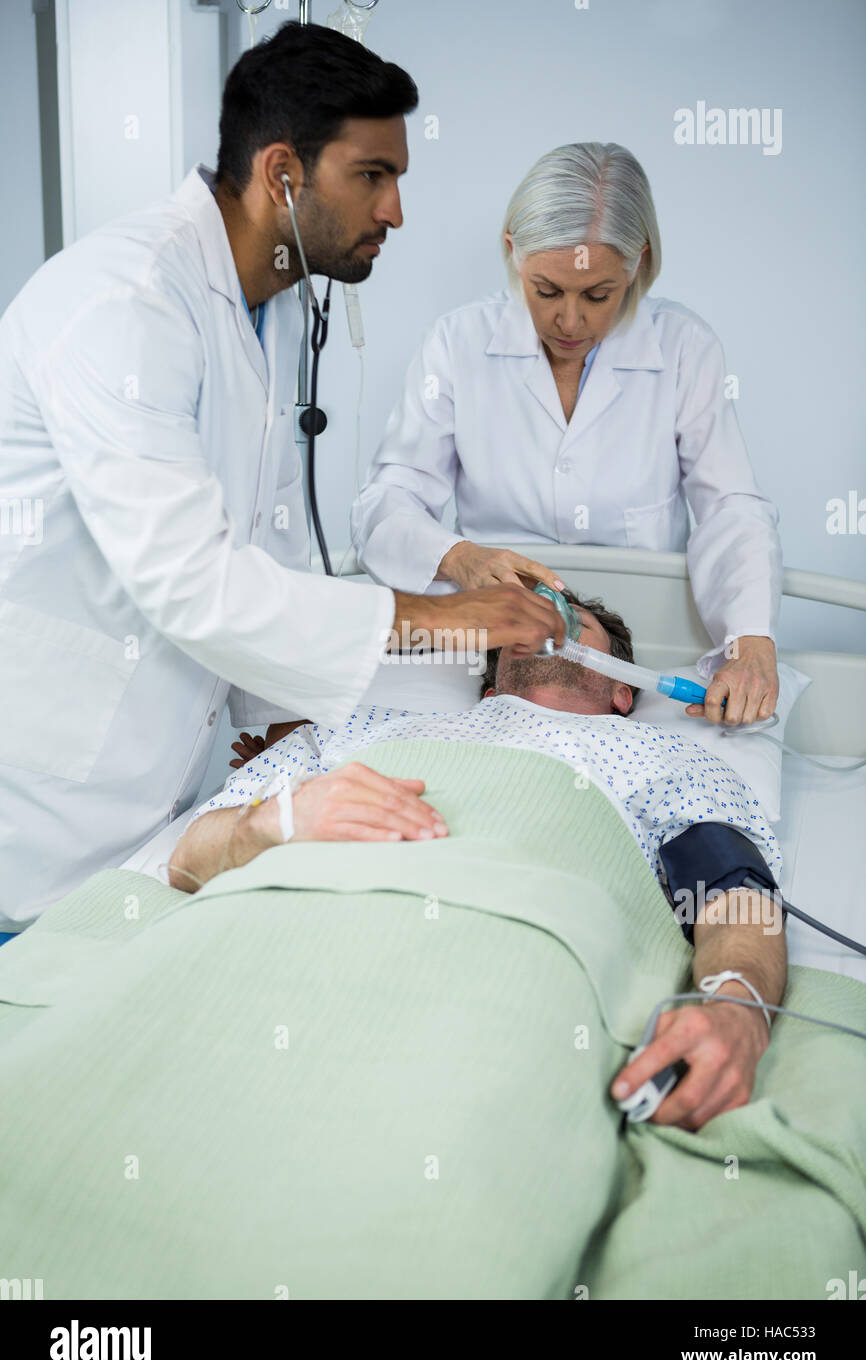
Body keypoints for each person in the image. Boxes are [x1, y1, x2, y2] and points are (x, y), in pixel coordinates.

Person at [0, 22, 561, 930]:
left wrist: (286, 726)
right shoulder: (127, 306)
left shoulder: (277, 314)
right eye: (373, 175)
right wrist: (439, 621)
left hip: (161, 798)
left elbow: (269, 554)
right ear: (282, 174)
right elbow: (195, 583)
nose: (396, 212)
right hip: (39, 810)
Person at [169, 588, 785, 1132]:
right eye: (536, 618)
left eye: (577, 622)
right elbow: (188, 859)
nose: (552, 623)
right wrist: (280, 818)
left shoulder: (668, 757)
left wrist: (738, 1005)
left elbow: (733, 889)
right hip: (295, 949)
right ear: (490, 686)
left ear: (624, 688)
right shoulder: (362, 731)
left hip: (508, 975)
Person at [350, 141, 783, 729]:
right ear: (513, 253)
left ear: (638, 265)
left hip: (639, 636)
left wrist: (750, 638)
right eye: (546, 291)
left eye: (598, 295)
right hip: (494, 643)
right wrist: (458, 557)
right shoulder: (457, 343)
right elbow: (387, 500)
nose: (570, 321)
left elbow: (731, 506)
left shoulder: (684, 348)